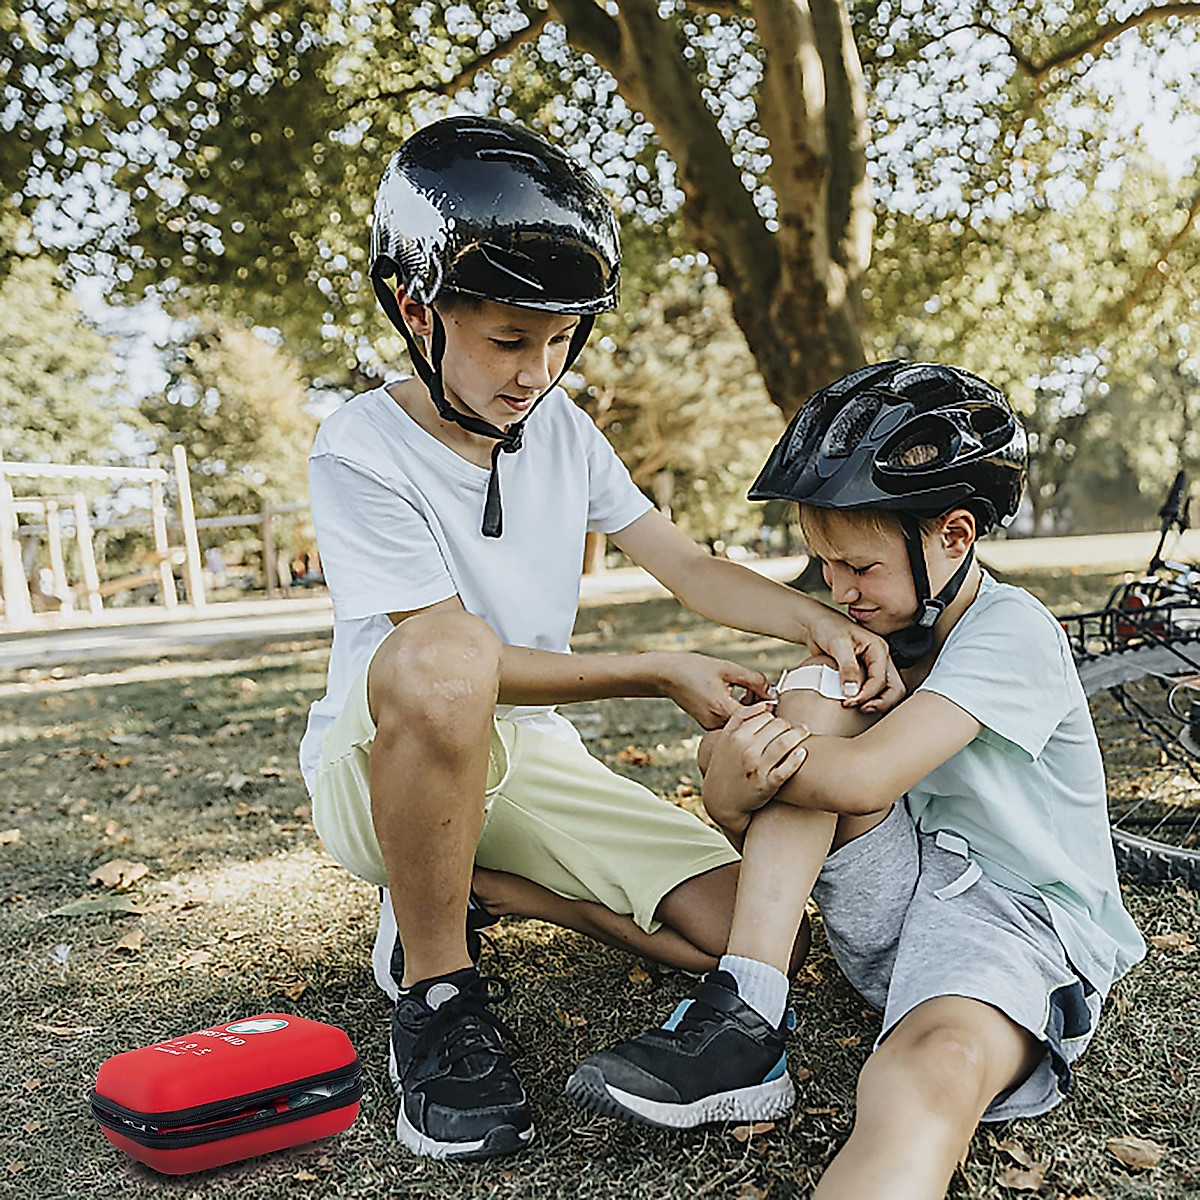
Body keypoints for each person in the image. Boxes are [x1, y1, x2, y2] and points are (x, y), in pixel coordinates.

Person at [298, 116, 902, 1164]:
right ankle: (437, 991)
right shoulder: (359, 446)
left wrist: (814, 617)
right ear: (418, 310)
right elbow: (454, 662)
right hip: (385, 758)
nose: (536, 371)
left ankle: (483, 893)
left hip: (531, 761)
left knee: (754, 930)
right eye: (508, 340)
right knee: (449, 655)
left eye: (560, 339)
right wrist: (655, 668)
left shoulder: (564, 429)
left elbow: (684, 564)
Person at [567, 361, 1146, 1199]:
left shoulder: (1011, 628)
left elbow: (864, 778)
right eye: (823, 564)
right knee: (818, 687)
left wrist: (726, 770)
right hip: (900, 899)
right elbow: (796, 789)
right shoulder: (874, 639)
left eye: (860, 567)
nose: (839, 590)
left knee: (931, 1070)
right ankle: (748, 1011)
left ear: (955, 535)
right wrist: (731, 779)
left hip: (1015, 922)